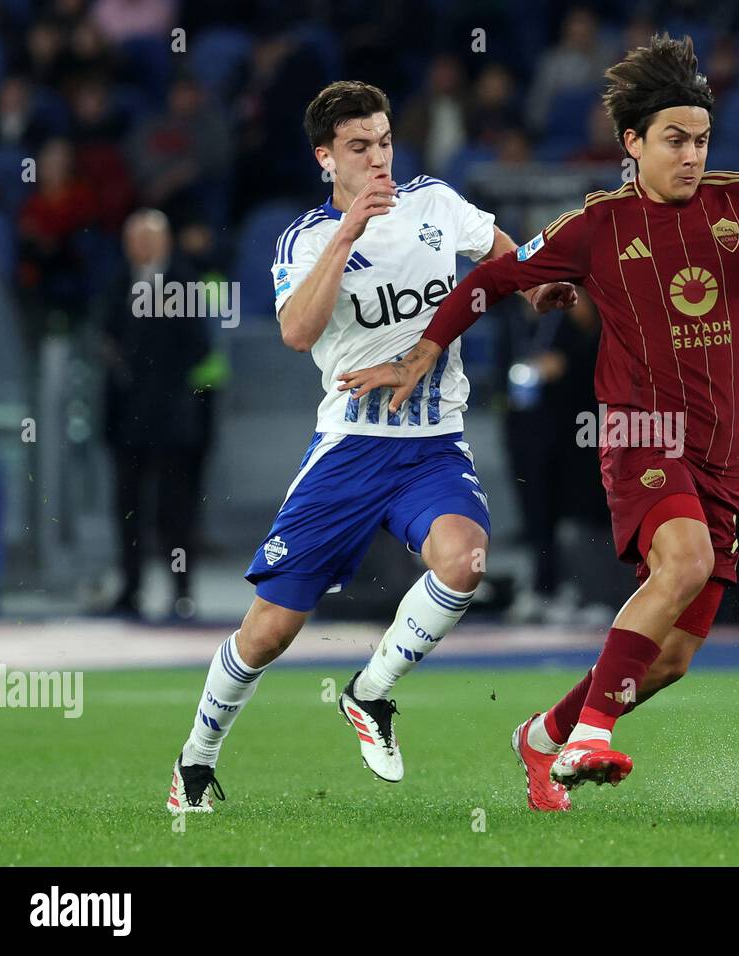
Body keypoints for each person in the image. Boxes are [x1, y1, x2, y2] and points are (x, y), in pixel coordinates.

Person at [338, 35, 739, 809]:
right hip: (640, 437)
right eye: (674, 140)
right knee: (685, 561)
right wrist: (424, 351)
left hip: (720, 459)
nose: (691, 156)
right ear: (632, 143)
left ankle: (542, 737)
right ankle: (592, 737)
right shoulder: (596, 227)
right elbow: (495, 277)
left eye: (700, 140)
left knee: (670, 660)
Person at [166, 81, 575, 813]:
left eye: (384, 142)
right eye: (360, 148)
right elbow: (296, 332)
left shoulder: (435, 203)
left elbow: (503, 253)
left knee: (466, 559)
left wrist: (532, 288)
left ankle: (370, 692)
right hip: (351, 447)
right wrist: (350, 229)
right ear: (327, 157)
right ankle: (196, 760)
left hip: (431, 444)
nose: (378, 158)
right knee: (270, 631)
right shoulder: (308, 239)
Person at [99, 209, 210, 620]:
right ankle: (130, 588)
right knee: (127, 507)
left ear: (162, 241)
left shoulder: (183, 281)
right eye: (132, 239)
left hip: (170, 419)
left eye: (144, 239)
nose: (137, 248)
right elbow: (106, 331)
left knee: (174, 510)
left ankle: (181, 591)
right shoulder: (120, 278)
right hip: (126, 417)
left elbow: (199, 345)